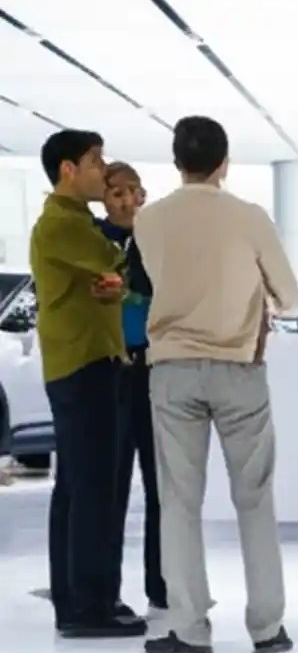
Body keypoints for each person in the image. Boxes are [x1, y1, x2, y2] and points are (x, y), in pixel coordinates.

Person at [134, 116, 298, 653]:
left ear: (177, 162)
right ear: (224, 163)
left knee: (179, 501)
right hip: (239, 368)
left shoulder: (149, 220)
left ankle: (188, 629)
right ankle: (268, 627)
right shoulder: (249, 217)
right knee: (255, 498)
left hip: (172, 369)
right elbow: (290, 296)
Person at [30, 129, 145, 638]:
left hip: (94, 360)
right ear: (68, 170)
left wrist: (112, 285)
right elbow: (114, 262)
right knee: (91, 488)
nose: (104, 170)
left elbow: (111, 284)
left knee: (84, 486)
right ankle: (86, 607)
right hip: (83, 365)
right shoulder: (62, 224)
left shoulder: (76, 222)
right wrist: (122, 243)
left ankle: (87, 598)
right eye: (96, 161)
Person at [98, 161, 167, 613]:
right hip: (111, 371)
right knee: (113, 483)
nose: (126, 200)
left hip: (154, 369)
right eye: (116, 192)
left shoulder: (157, 239)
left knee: (161, 483)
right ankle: (106, 590)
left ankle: (163, 584)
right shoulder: (93, 240)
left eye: (133, 191)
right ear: (103, 198)